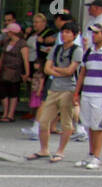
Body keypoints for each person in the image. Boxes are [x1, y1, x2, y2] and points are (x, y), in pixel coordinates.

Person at [27, 20, 82, 162]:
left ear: (75, 35)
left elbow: (71, 70)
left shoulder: (77, 50)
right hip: (54, 88)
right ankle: (44, 149)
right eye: (63, 32)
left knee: (66, 123)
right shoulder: (56, 49)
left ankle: (60, 151)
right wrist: (60, 71)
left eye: (68, 32)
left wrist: (55, 70)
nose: (64, 35)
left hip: (68, 89)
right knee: (44, 121)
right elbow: (47, 68)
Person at [72, 17, 102, 169]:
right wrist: (77, 93)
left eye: (97, 33)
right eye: (93, 33)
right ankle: (91, 154)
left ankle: (97, 157)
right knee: (89, 126)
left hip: (101, 95)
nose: (94, 36)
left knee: (98, 127)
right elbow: (82, 73)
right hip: (87, 93)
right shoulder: (89, 52)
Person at [0, 22, 28, 122]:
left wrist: (26, 72)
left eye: (8, 32)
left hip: (15, 71)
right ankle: (5, 112)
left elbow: (25, 59)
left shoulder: (22, 44)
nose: (7, 34)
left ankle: (10, 114)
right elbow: (2, 57)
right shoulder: (6, 42)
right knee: (2, 91)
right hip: (4, 70)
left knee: (13, 92)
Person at [26, 12, 55, 117]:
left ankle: (40, 112)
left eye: (37, 22)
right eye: (34, 22)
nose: (35, 24)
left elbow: (49, 50)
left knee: (40, 86)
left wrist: (42, 43)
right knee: (31, 85)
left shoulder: (49, 33)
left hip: (41, 63)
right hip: (30, 61)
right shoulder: (32, 33)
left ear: (44, 23)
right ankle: (31, 110)